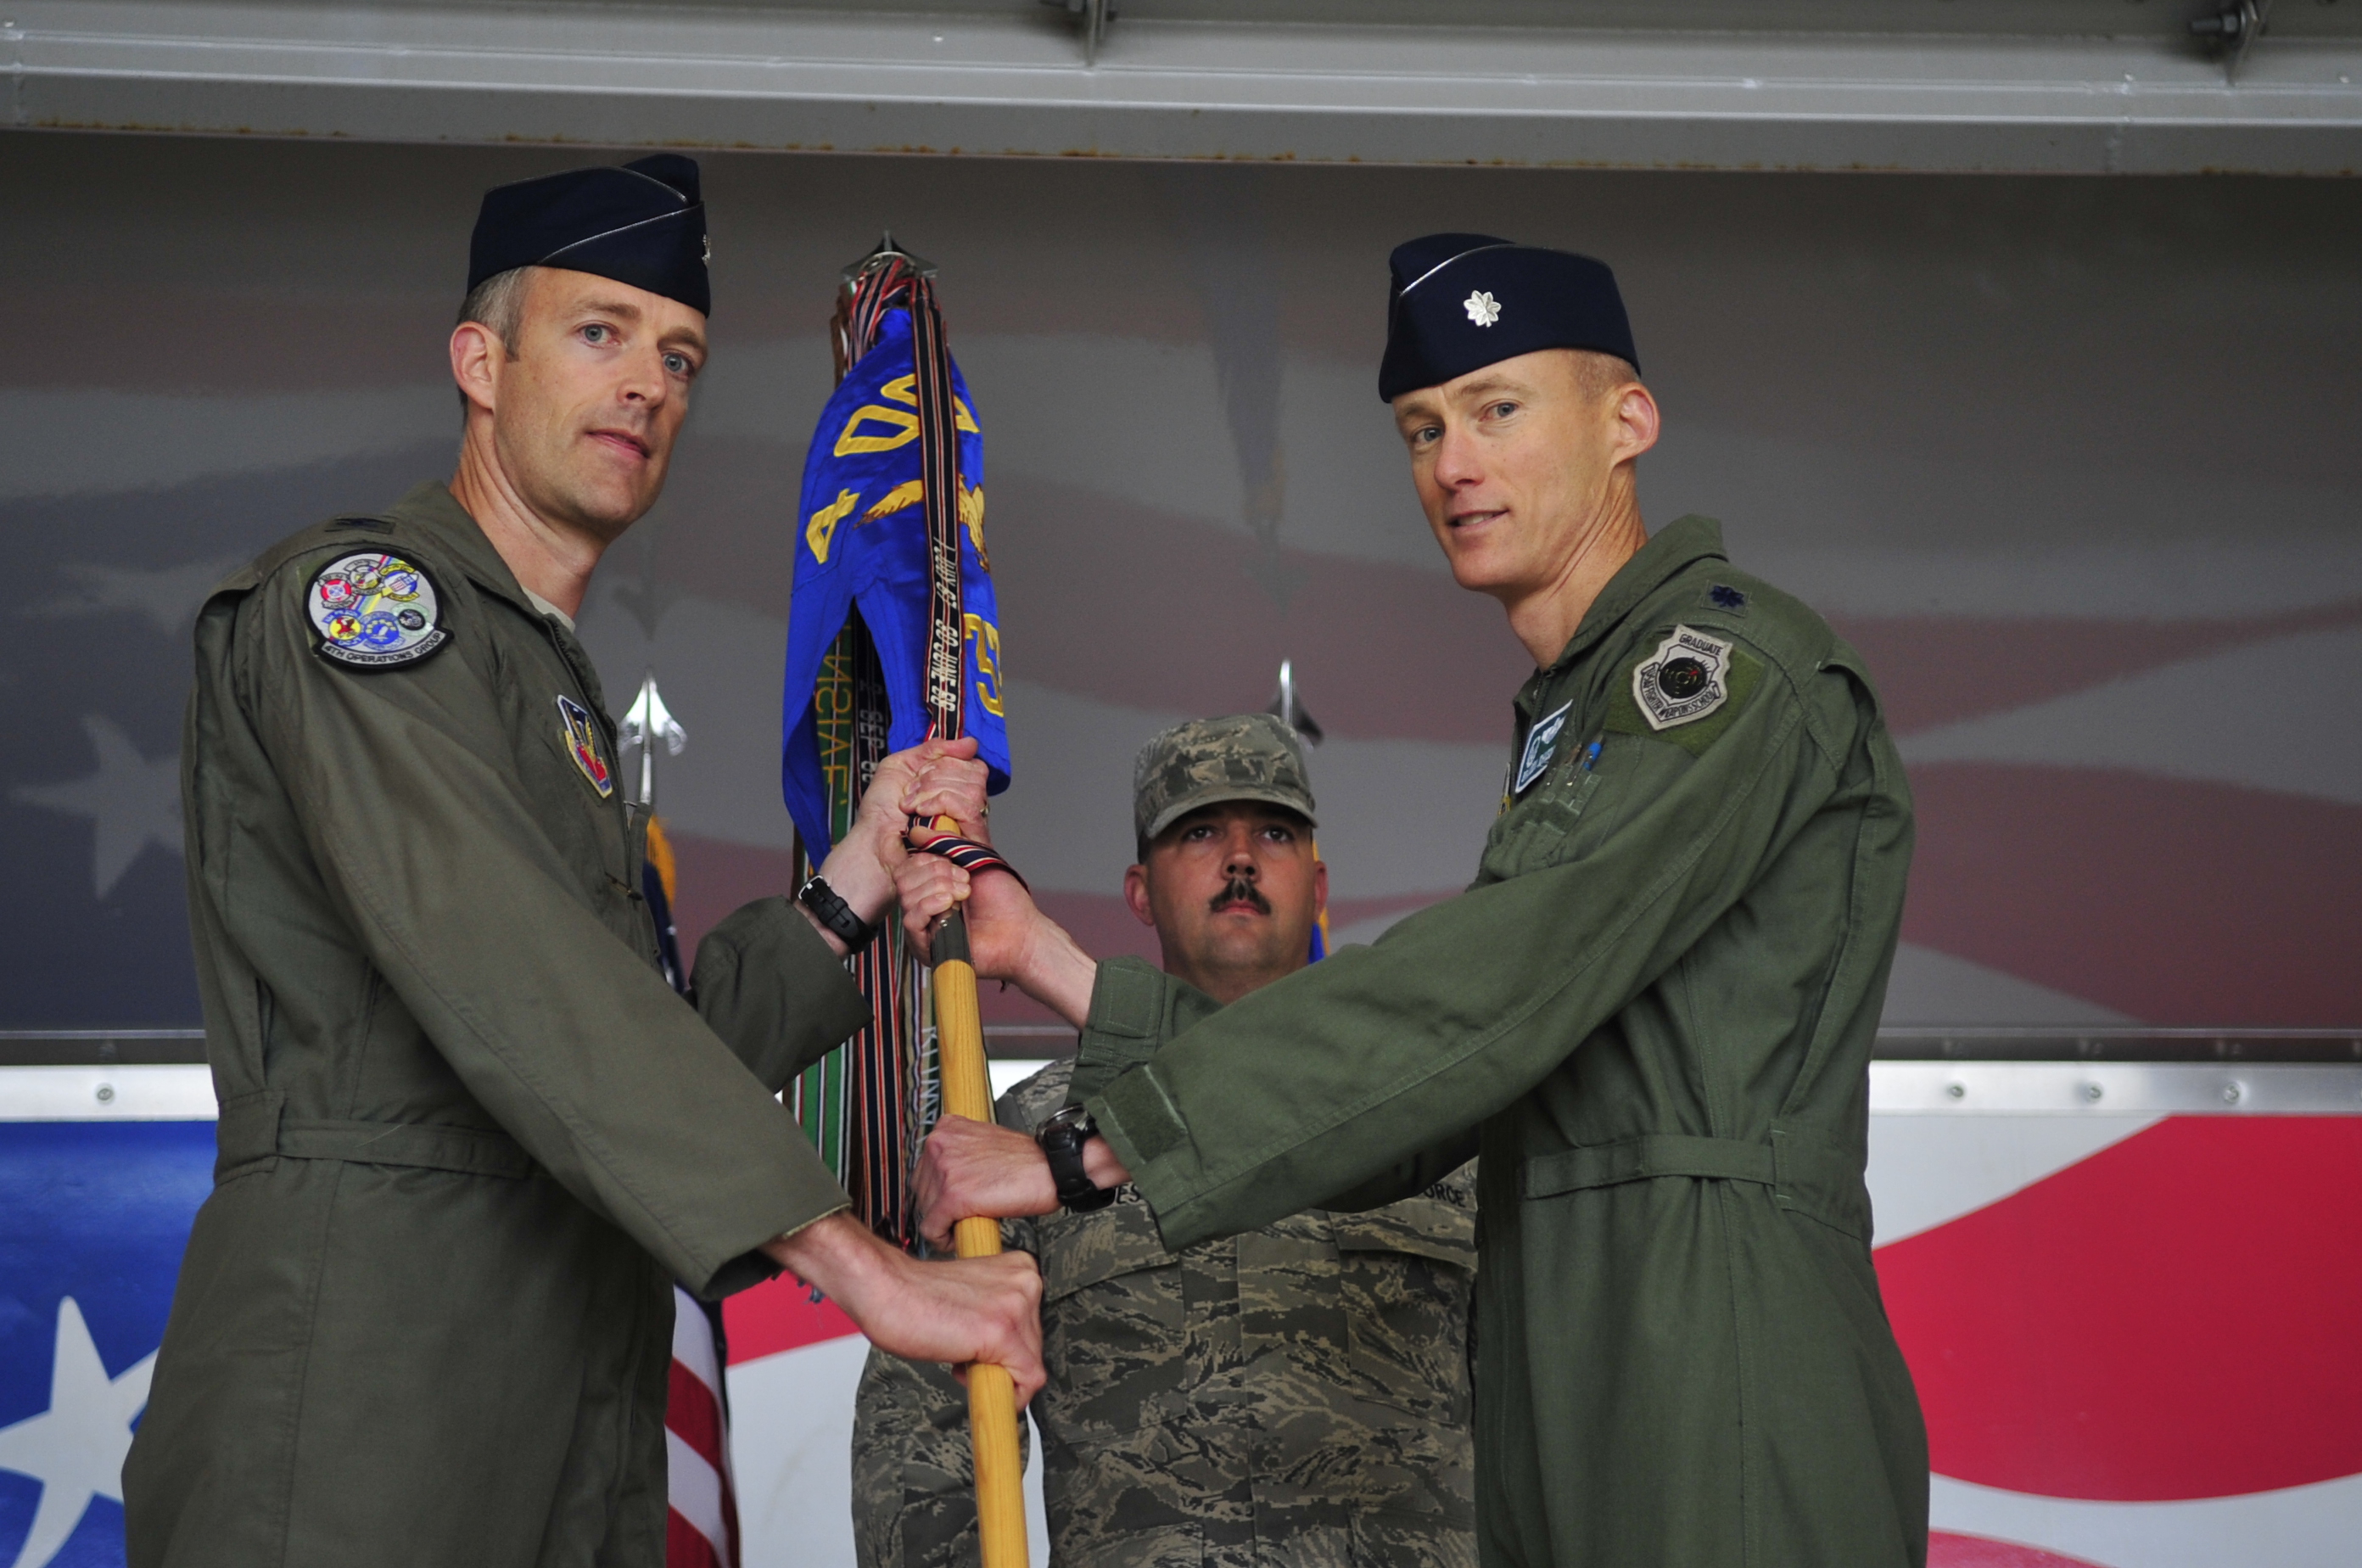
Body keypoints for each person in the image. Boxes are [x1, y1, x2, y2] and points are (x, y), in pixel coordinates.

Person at [912, 234, 1929, 1568]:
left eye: (1499, 408)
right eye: (1420, 428)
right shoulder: (1580, 718)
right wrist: (1055, 964)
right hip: (1573, 1345)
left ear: (1630, 420)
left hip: (1702, 1345)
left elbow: (1476, 1000)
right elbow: (1419, 1096)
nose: (1453, 465)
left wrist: (1079, 1151)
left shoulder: (1714, 669)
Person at [122, 155, 1040, 1568]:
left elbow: (632, 1045)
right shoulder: (364, 607)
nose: (648, 384)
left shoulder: (547, 684)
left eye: (678, 353)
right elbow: (517, 975)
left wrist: (855, 874)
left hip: (568, 1398)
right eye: (598, 333)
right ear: (478, 362)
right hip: (369, 1401)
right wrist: (860, 1266)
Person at [854, 714, 1478, 1568]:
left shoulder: (1435, 1119)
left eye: (1274, 832)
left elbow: (1564, 1394)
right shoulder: (1026, 1131)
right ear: (1140, 891)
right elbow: (922, 1432)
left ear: (1320, 884)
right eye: (1199, 833)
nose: (1241, 858)